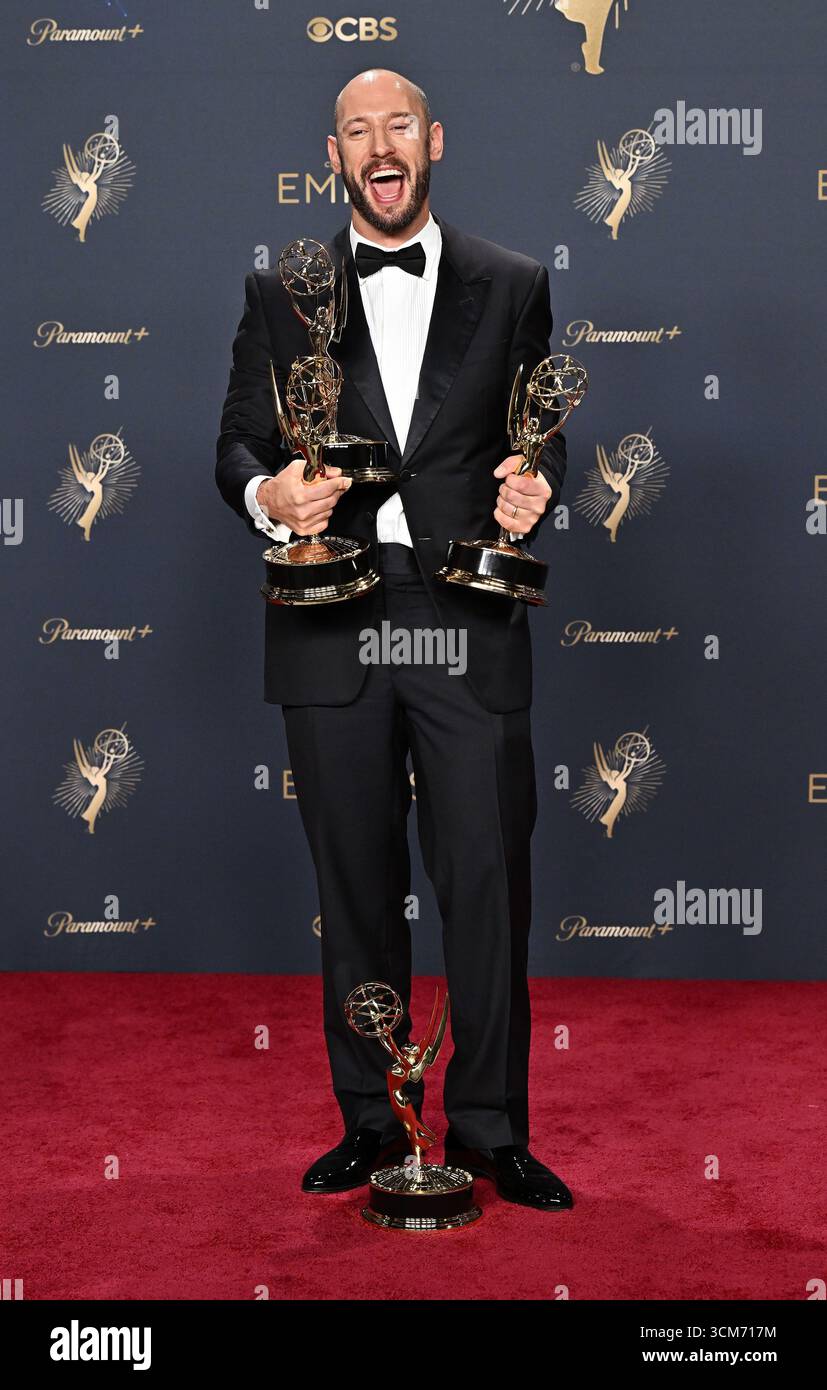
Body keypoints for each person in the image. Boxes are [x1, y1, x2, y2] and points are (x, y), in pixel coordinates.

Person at [216, 68, 572, 1211]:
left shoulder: (512, 284)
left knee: (484, 877)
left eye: (400, 126)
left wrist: (537, 487)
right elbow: (233, 445)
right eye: (359, 131)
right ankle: (375, 1123)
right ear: (333, 156)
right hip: (334, 615)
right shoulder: (284, 288)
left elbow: (541, 439)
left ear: (432, 141)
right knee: (354, 882)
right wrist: (273, 492)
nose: (382, 146)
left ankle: (489, 1127)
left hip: (464, 613)